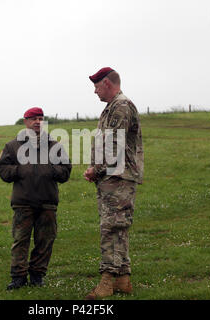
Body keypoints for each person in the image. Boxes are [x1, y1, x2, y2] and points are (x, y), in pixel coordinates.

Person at [0, 107, 72, 290]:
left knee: (45, 241)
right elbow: (1, 168)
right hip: (23, 202)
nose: (38, 121)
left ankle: (37, 275)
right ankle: (18, 277)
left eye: (41, 118)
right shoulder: (12, 146)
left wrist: (51, 170)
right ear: (25, 121)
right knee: (20, 240)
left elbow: (66, 170)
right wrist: (20, 170)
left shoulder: (54, 145)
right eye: (33, 118)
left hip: (48, 202)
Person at [83, 67, 144, 300]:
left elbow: (114, 147)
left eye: (97, 87)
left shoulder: (120, 106)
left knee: (110, 228)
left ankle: (107, 282)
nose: (95, 92)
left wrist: (95, 170)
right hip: (113, 177)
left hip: (117, 178)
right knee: (118, 227)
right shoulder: (113, 107)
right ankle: (123, 279)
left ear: (107, 84)